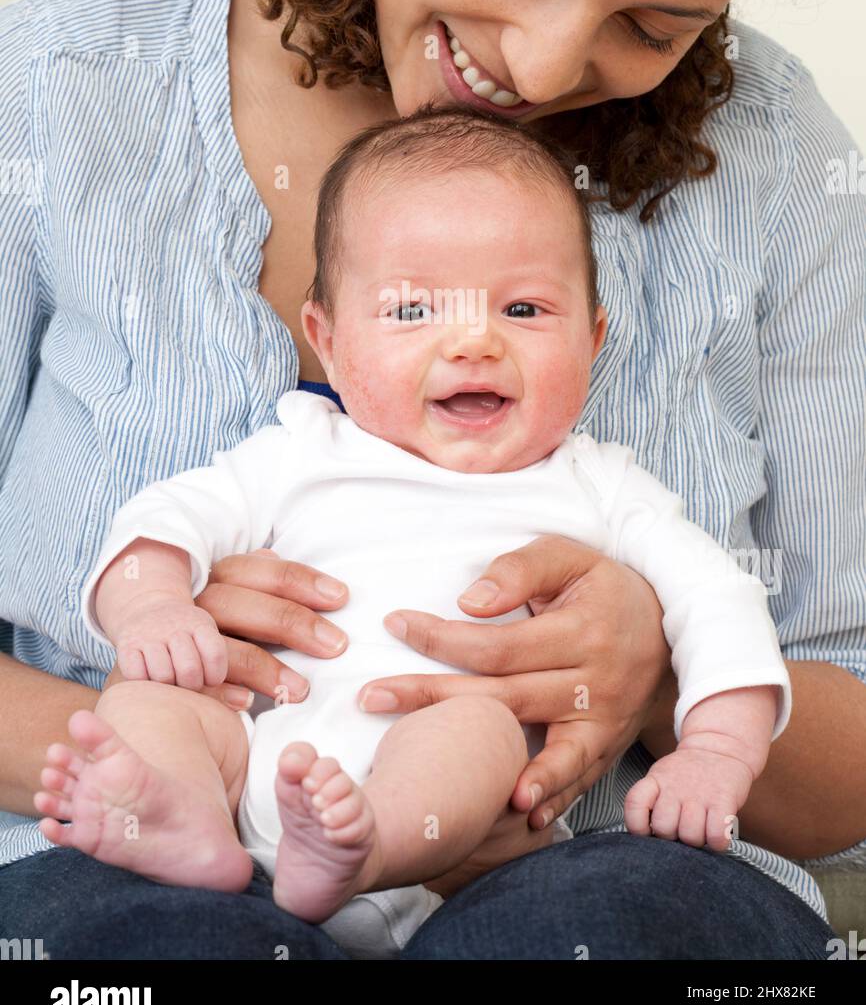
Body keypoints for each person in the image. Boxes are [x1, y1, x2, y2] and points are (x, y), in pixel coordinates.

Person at [1, 0, 863, 960]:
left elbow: (845, 759)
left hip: (609, 889)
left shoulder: (776, 158)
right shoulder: (60, 93)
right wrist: (169, 722)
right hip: (135, 878)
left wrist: (657, 679)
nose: (542, 64)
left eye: (653, 24)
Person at [35, 113, 790, 959]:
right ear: (327, 338)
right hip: (254, 771)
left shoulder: (601, 486)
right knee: (147, 701)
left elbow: (720, 601)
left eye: (525, 307)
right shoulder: (301, 452)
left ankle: (367, 849)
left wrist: (717, 753)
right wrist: (151, 614)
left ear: (594, 338)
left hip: (451, 841)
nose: (474, 340)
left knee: (475, 728)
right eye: (413, 309)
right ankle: (184, 823)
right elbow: (162, 522)